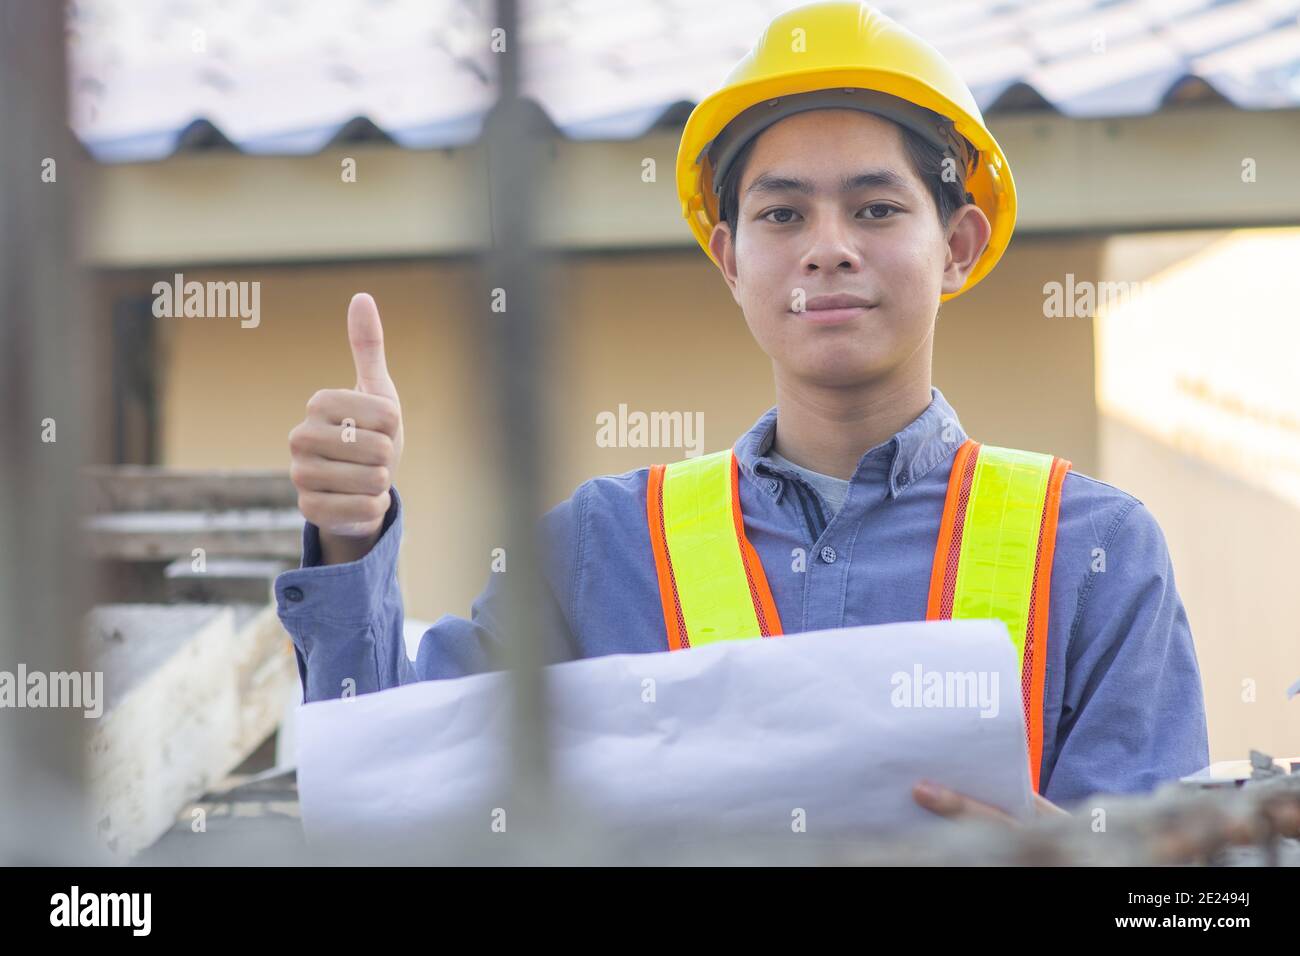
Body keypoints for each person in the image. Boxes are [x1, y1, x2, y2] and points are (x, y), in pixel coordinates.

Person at [276, 1, 1208, 823]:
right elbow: (385, 783)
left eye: (878, 209)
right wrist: (350, 541)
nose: (828, 249)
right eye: (781, 215)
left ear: (957, 245)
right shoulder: (601, 551)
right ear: (729, 258)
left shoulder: (1094, 549)